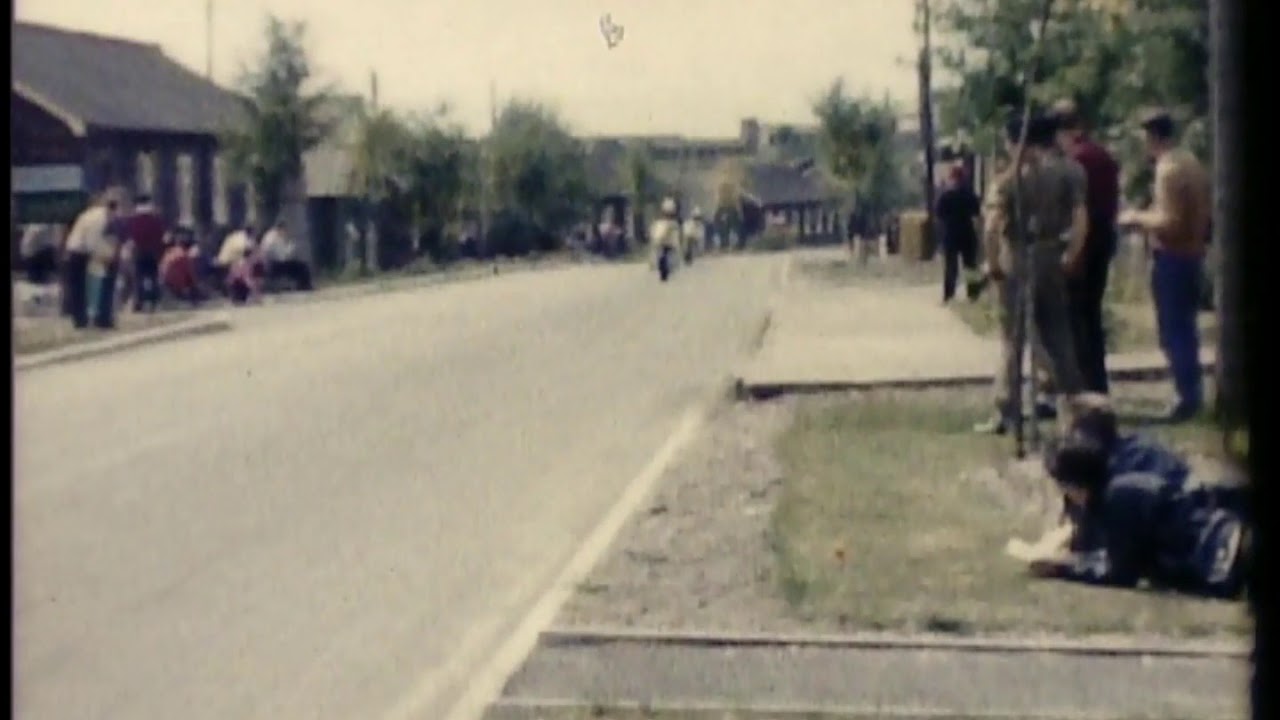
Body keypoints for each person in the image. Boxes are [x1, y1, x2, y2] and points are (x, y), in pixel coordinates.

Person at [1014, 399, 1250, 599]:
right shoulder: (1118, 487)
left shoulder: (1120, 497)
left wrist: (1061, 566)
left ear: (1073, 485)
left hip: (1227, 558)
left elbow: (1119, 572)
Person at [975, 112, 1089, 435]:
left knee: (1013, 339)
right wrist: (1071, 254)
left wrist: (993, 263)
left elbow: (992, 227)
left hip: (1017, 257)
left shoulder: (1008, 180)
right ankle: (1074, 407)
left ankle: (1007, 409)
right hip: (1052, 254)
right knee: (1059, 334)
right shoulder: (1071, 172)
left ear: (1019, 142)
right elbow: (1081, 219)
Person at [1119, 109, 1212, 423]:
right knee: (1185, 328)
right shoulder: (1191, 162)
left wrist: (1136, 218)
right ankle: (1191, 393)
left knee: (1174, 331)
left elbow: (1169, 221)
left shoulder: (1168, 170)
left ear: (1152, 137)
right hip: (1193, 254)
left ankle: (1187, 398)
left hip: (1173, 256)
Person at [1052, 100, 1122, 396]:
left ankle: (1084, 386)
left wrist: (1071, 251)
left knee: (1076, 318)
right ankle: (1097, 383)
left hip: (1083, 242)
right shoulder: (1103, 155)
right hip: (1104, 238)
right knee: (1091, 316)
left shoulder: (1076, 162)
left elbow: (1076, 209)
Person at [65, 192, 123, 329]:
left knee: (79, 288)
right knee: (80, 288)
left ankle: (85, 319)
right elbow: (93, 242)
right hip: (79, 251)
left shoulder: (93, 214)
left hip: (77, 248)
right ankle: (94, 318)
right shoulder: (100, 219)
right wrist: (107, 256)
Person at [935, 165, 983, 303]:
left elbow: (939, 213)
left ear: (951, 179)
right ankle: (973, 294)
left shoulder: (946, 196)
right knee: (970, 264)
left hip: (951, 233)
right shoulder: (969, 194)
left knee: (951, 266)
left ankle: (949, 294)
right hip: (967, 232)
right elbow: (977, 212)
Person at [126, 194, 168, 313]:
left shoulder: (132, 221)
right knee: (153, 277)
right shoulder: (156, 220)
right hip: (153, 252)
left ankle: (139, 302)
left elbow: (130, 238)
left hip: (139, 252)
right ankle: (154, 302)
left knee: (139, 277)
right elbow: (162, 237)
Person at [259, 218, 314, 291]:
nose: (285, 232)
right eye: (285, 230)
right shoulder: (274, 238)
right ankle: (304, 285)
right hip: (273, 264)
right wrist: (291, 247)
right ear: (281, 229)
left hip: (271, 263)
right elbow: (283, 257)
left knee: (298, 265)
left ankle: (302, 285)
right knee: (301, 266)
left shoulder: (270, 235)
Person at [160, 231, 204, 305]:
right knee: (191, 279)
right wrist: (196, 285)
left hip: (164, 280)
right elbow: (190, 274)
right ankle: (194, 299)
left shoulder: (169, 252)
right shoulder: (185, 255)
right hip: (175, 282)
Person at [649, 197, 683, 271]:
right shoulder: (660, 223)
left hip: (666, 241)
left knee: (675, 248)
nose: (668, 214)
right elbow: (654, 233)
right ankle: (653, 263)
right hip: (661, 240)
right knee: (655, 248)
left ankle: (675, 263)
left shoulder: (673, 223)